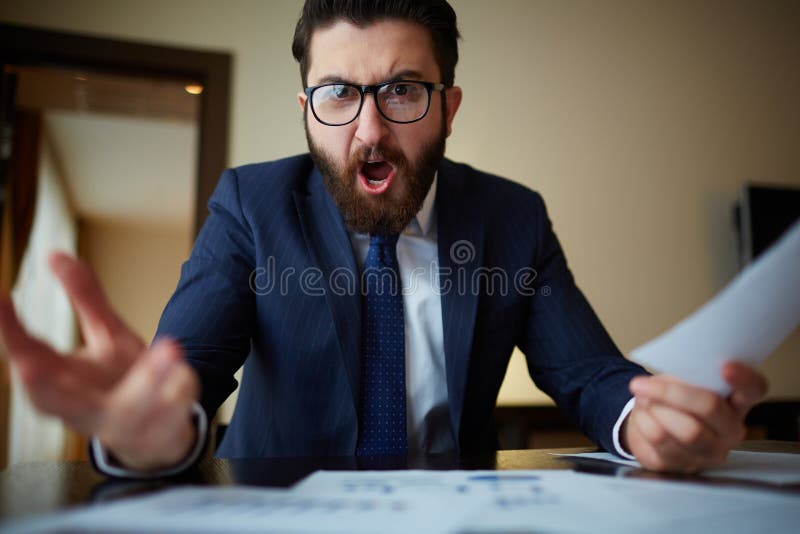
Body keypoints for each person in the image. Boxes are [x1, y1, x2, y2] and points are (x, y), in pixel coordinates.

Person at [0, 0, 767, 477]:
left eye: (401, 91)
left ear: (448, 105)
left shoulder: (513, 217)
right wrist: (149, 434)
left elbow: (592, 376)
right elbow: (184, 376)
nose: (369, 131)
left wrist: (650, 424)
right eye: (339, 93)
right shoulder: (251, 203)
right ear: (306, 107)